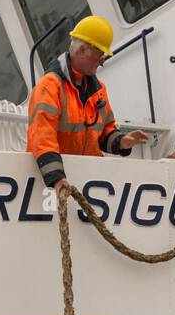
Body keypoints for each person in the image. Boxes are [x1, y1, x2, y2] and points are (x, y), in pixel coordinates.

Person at [26, 14, 150, 195]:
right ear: (82, 50)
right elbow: (42, 137)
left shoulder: (99, 90)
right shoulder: (50, 86)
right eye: (100, 55)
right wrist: (56, 178)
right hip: (53, 185)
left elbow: (104, 135)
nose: (102, 61)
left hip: (88, 181)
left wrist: (123, 141)